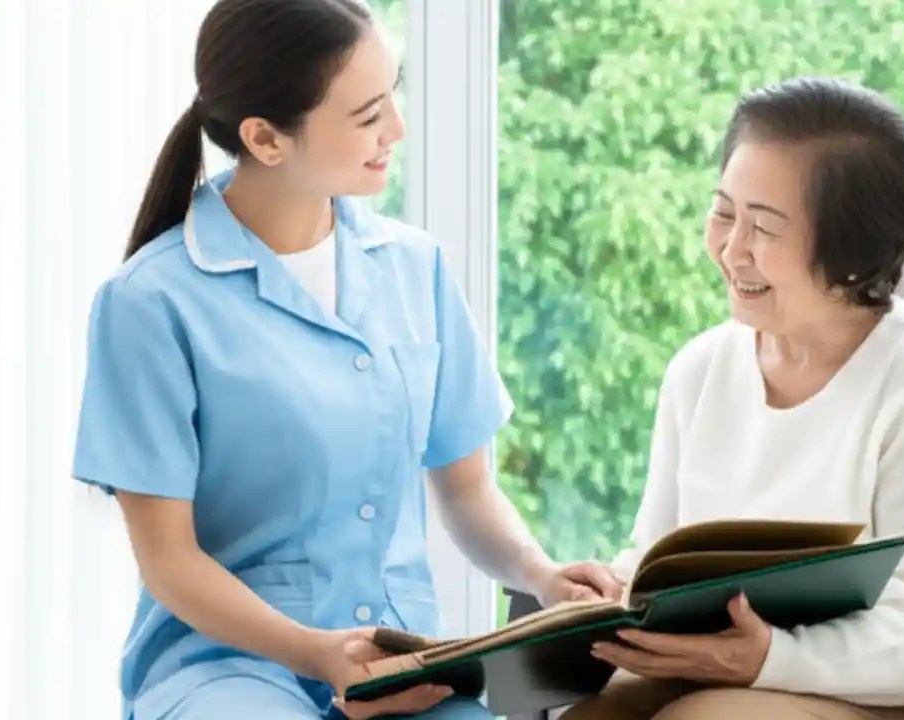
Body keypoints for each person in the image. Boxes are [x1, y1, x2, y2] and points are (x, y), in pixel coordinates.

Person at [70, 2, 622, 718]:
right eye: (367, 115)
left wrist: (541, 575)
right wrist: (317, 654)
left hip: (402, 662)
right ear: (266, 139)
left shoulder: (414, 268)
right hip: (225, 670)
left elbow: (466, 488)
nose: (398, 128)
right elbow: (170, 562)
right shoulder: (149, 303)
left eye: (393, 94)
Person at [563, 77, 904, 719]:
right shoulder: (699, 370)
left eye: (765, 228)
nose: (731, 248)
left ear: (852, 249)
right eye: (723, 213)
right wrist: (610, 601)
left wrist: (768, 657)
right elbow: (657, 558)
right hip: (743, 667)